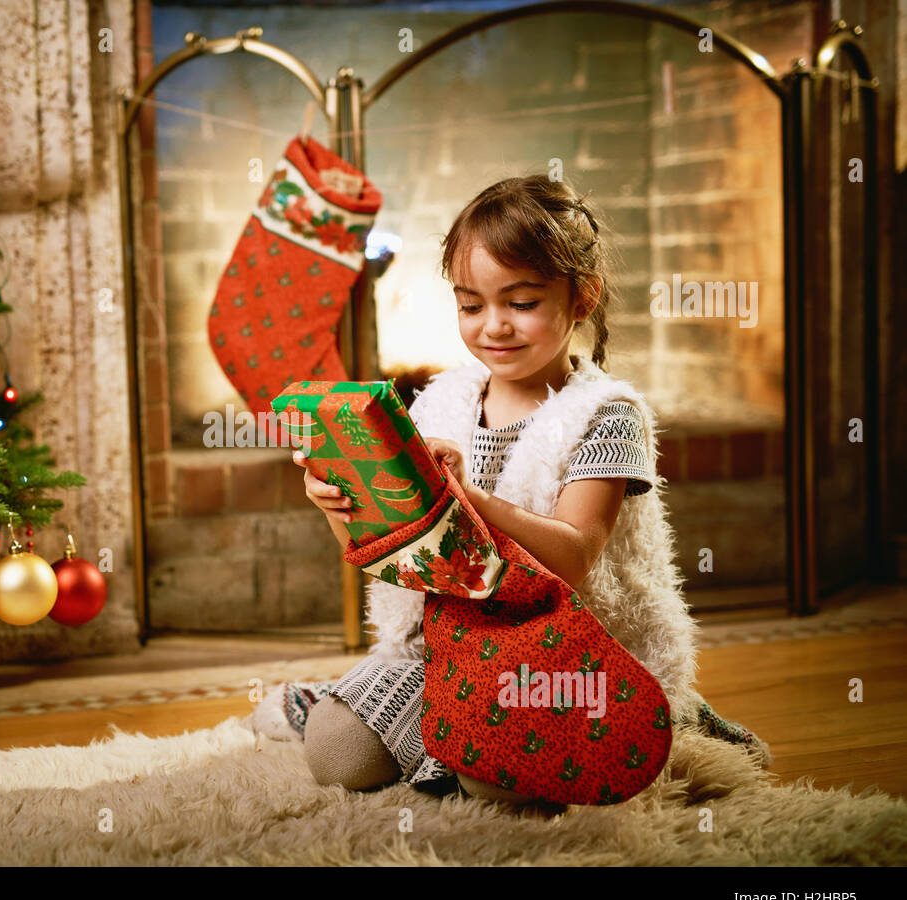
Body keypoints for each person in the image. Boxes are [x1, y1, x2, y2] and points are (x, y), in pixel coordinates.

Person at [250, 174, 771, 799]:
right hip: (442, 647)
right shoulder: (438, 404)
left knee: (500, 778)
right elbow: (392, 560)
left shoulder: (607, 416)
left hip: (556, 644)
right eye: (471, 305)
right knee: (338, 756)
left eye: (520, 303)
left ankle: (669, 713)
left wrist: (469, 499)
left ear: (582, 298)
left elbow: (574, 556)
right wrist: (343, 502)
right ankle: (343, 705)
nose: (492, 326)